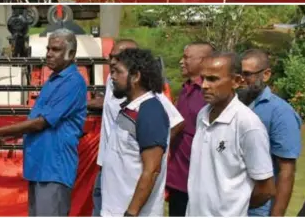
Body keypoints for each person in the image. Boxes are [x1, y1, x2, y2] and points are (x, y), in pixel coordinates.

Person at [0, 29, 87, 217]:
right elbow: (33, 122)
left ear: (71, 54)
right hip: (39, 168)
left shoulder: (73, 82)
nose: (49, 53)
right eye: (48, 48)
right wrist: (6, 138)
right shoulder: (52, 80)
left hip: (54, 170)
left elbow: (40, 124)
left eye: (56, 49)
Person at [91, 39, 184, 217]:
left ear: (136, 76)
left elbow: (152, 170)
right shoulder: (130, 108)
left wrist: (131, 212)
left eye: (118, 72)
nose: (113, 77)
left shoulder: (150, 112)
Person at [187, 52, 275, 217]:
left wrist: (234, 208)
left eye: (213, 79)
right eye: (203, 78)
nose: (204, 85)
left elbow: (266, 189)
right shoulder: (203, 114)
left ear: (236, 81)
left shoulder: (248, 124)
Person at [239, 49, 302, 217]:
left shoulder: (280, 113)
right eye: (238, 74)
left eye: (247, 74)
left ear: (266, 75)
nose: (241, 80)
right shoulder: (233, 105)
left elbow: (286, 171)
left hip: (258, 210)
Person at [166, 41, 213, 217]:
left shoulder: (208, 94)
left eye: (186, 58)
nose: (181, 61)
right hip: (178, 178)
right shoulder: (186, 88)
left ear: (205, 60)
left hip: (199, 181)